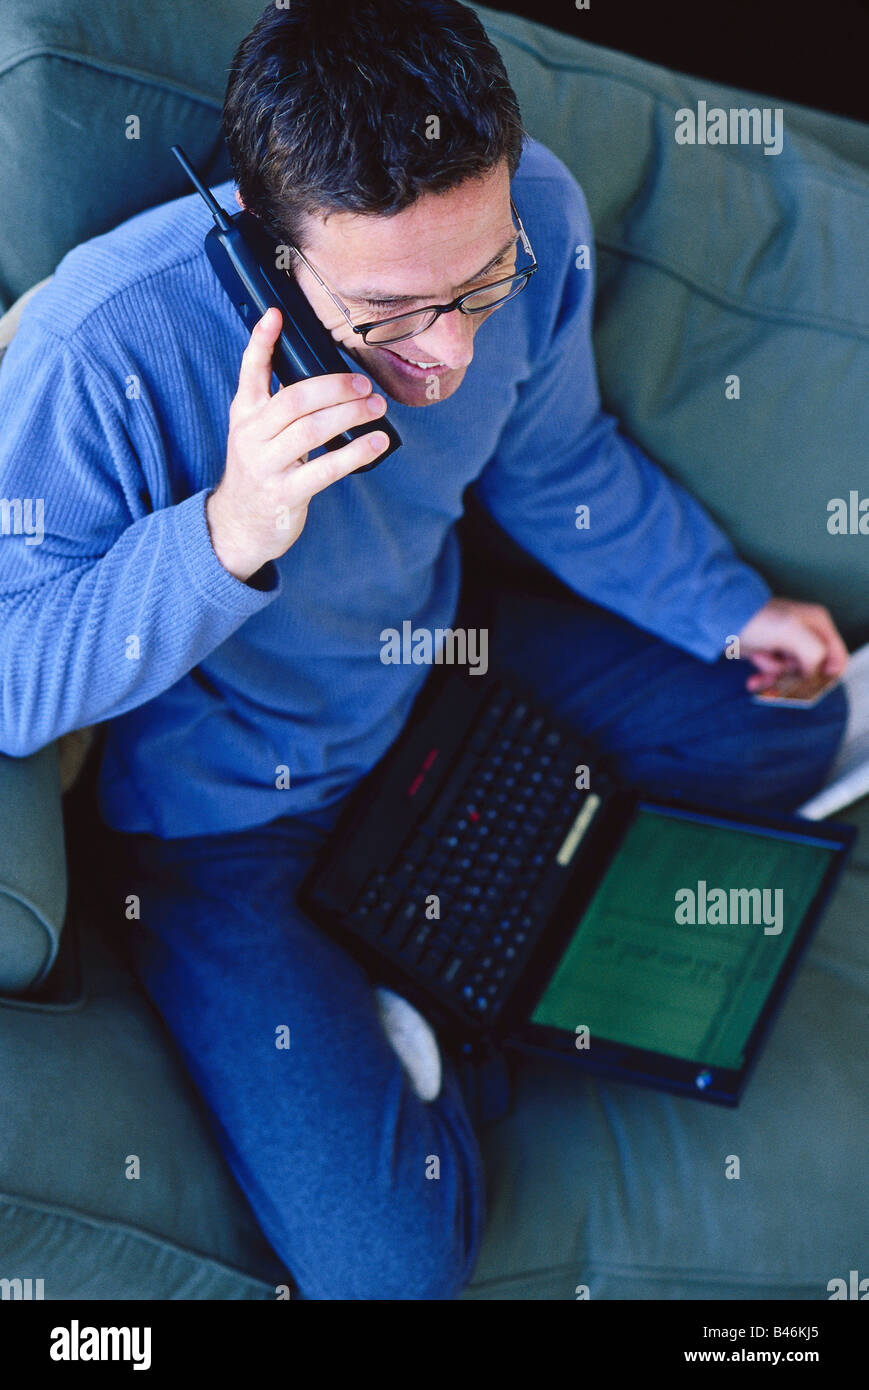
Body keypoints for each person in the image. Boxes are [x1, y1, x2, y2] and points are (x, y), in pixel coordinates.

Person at [0, 0, 850, 1299]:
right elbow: (10, 681)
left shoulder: (536, 216)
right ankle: (429, 998)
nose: (448, 353)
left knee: (787, 705)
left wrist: (722, 606)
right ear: (269, 247)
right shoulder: (101, 345)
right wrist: (225, 534)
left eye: (479, 287)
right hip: (228, 832)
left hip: (444, 685)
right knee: (391, 1274)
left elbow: (555, 461)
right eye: (392, 313)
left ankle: (445, 942)